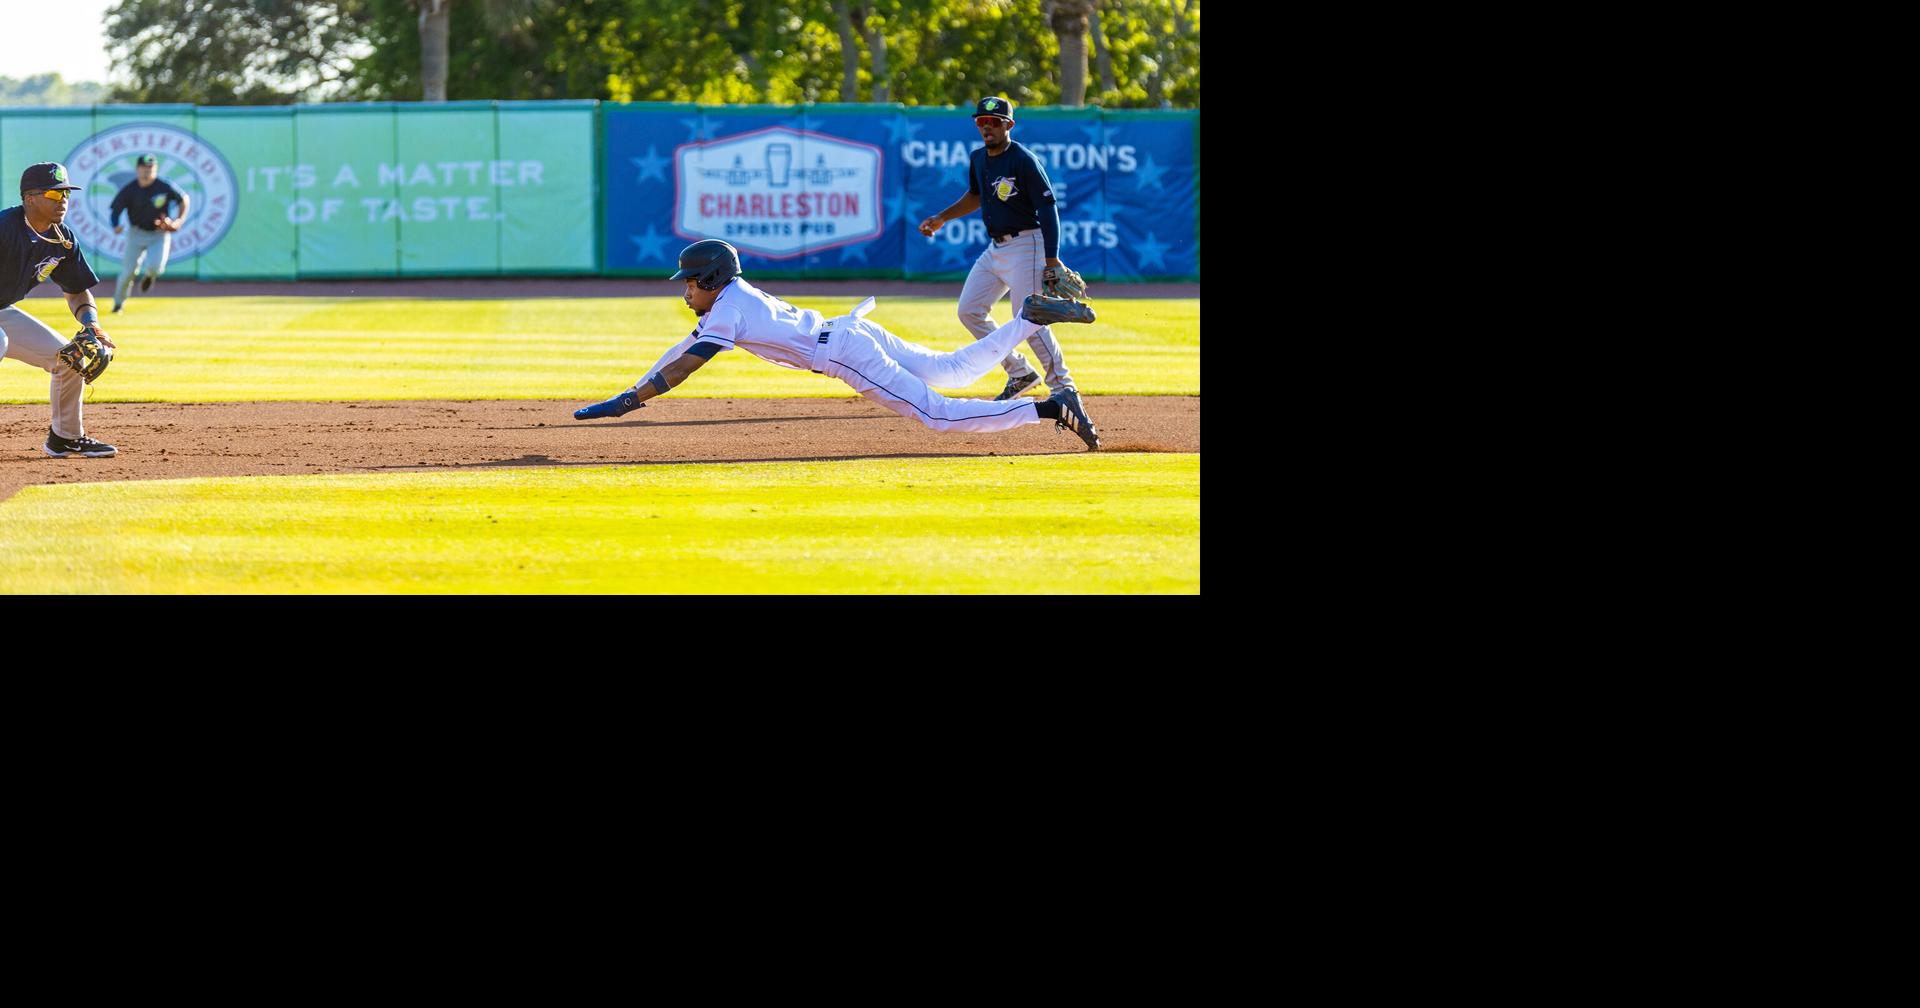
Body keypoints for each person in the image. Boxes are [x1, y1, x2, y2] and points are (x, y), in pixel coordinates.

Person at [573, 239, 1102, 449]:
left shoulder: (728, 309)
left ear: (709, 279)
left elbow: (686, 365)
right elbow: (680, 349)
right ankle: (1030, 318)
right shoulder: (729, 298)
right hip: (848, 331)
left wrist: (632, 401)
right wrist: (631, 391)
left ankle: (1051, 408)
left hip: (847, 352)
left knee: (938, 415)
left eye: (689, 283)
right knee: (952, 371)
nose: (684, 291)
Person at [918, 96, 1081, 401]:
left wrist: (1052, 258)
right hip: (996, 248)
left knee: (1030, 317)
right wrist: (941, 217)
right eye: (982, 121)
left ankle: (1063, 388)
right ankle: (1019, 372)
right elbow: (975, 196)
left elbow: (1047, 207)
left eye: (994, 122)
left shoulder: (1022, 159)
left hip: (1026, 244)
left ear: (1009, 125)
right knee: (970, 311)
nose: (987, 126)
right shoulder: (979, 158)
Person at [0, 162, 119, 458]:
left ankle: (66, 437)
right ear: (30, 198)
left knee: (69, 358)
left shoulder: (62, 240)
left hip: (2, 309)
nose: (63, 200)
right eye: (53, 194)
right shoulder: (4, 228)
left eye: (65, 193)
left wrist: (91, 324)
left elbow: (77, 290)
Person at [108, 153, 188, 312]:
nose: (147, 171)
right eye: (144, 167)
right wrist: (115, 224)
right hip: (136, 233)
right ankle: (118, 304)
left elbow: (184, 199)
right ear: (137, 169)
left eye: (151, 167)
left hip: (159, 232)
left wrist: (178, 221)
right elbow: (115, 211)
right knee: (128, 272)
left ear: (156, 168)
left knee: (156, 267)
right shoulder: (130, 190)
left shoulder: (164, 186)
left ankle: (149, 276)